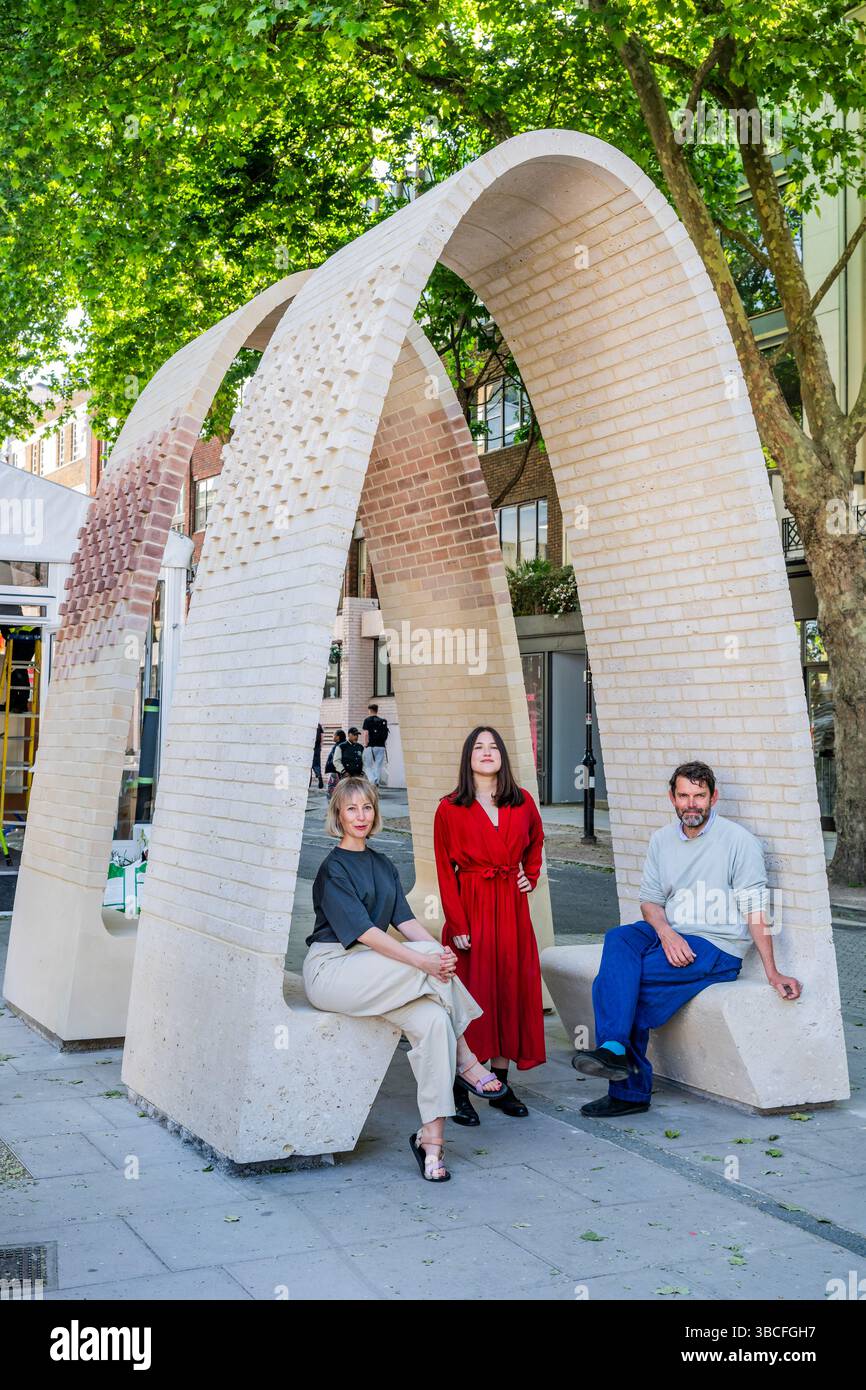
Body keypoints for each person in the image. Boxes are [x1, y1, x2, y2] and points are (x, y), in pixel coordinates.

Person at [573, 760, 802, 1117]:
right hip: (672, 932)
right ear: (672, 797)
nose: (691, 803)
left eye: (699, 795)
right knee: (619, 939)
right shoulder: (662, 840)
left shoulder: (738, 842)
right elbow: (649, 900)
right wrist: (665, 933)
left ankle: (627, 1090)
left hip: (715, 946)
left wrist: (773, 972)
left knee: (623, 984)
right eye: (684, 795)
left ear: (714, 798)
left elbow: (756, 909)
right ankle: (614, 1048)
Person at [303, 776, 497, 1182]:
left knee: (433, 1022)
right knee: (428, 959)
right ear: (338, 814)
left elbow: (405, 922)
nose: (360, 816)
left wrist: (439, 955)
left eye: (367, 807)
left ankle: (432, 1141)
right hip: (333, 969)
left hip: (378, 970)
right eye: (351, 808)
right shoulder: (333, 868)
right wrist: (425, 961)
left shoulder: (382, 864)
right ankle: (468, 1059)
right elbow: (368, 933)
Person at [434, 725, 546, 1127]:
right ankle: (460, 1086)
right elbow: (445, 872)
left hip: (512, 909)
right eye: (478, 747)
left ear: (502, 756)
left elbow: (536, 841)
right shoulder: (450, 807)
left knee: (508, 991)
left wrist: (528, 876)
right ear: (468, 758)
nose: (486, 752)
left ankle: (500, 1082)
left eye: (493, 746)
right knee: (473, 997)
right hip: (473, 907)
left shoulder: (522, 802)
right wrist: (457, 921)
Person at [362, 703, 389, 787]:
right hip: (381, 746)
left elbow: (366, 733)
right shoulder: (382, 721)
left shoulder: (367, 720)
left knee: (368, 766)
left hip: (370, 746)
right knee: (378, 765)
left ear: (370, 710)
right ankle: (376, 781)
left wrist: (366, 744)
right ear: (377, 710)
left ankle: (372, 780)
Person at [324, 729, 345, 801]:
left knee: (331, 790)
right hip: (339, 771)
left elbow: (336, 760)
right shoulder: (343, 745)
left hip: (335, 772)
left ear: (338, 737)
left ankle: (332, 809)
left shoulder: (338, 746)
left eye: (334, 735)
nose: (332, 736)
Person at [310, 722, 324, 789]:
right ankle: (319, 777)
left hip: (309, 747)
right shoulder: (318, 725)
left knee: (308, 766)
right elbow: (322, 737)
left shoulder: (308, 724)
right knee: (317, 764)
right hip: (317, 748)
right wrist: (320, 747)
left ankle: (308, 783)